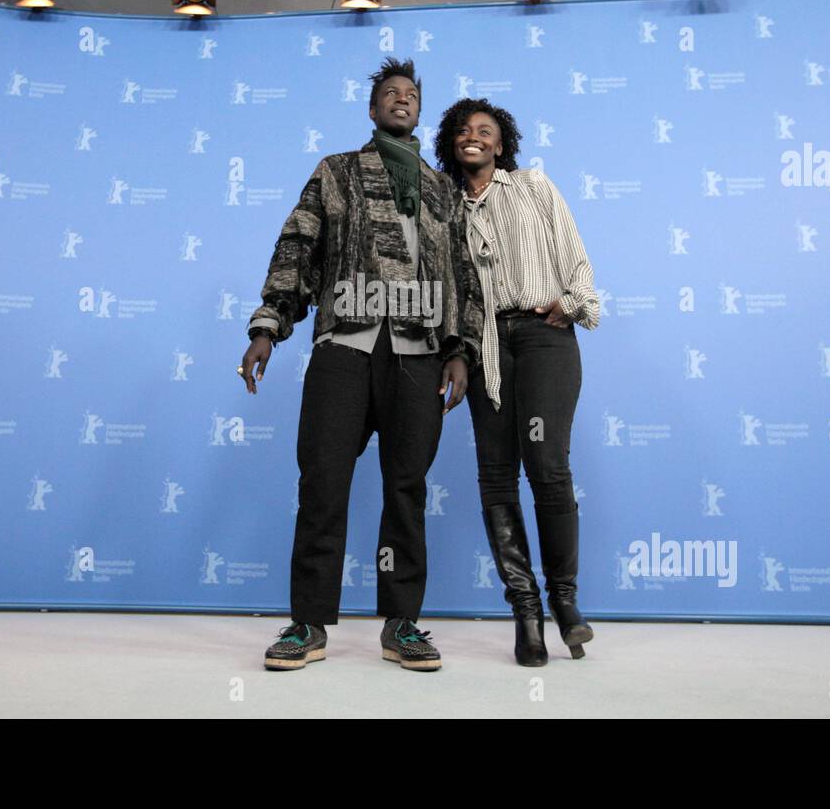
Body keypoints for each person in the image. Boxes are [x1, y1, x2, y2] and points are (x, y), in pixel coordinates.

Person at [239, 58, 483, 671]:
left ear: (420, 113)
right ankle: (306, 624)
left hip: (419, 357)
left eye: (412, 96)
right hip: (343, 349)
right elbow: (298, 245)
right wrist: (269, 324)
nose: (402, 100)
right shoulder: (336, 172)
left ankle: (401, 624)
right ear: (373, 109)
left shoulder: (440, 189)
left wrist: (458, 351)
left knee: (407, 490)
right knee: (322, 483)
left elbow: (459, 275)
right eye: (390, 94)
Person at [434, 97, 600, 667]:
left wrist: (573, 302)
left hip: (542, 337)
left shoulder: (533, 188)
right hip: (483, 348)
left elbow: (574, 256)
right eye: (463, 130)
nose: (473, 136)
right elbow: (446, 290)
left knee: (547, 466)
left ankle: (565, 603)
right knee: (495, 476)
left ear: (502, 144)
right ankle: (525, 613)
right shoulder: (444, 208)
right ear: (452, 144)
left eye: (485, 130)